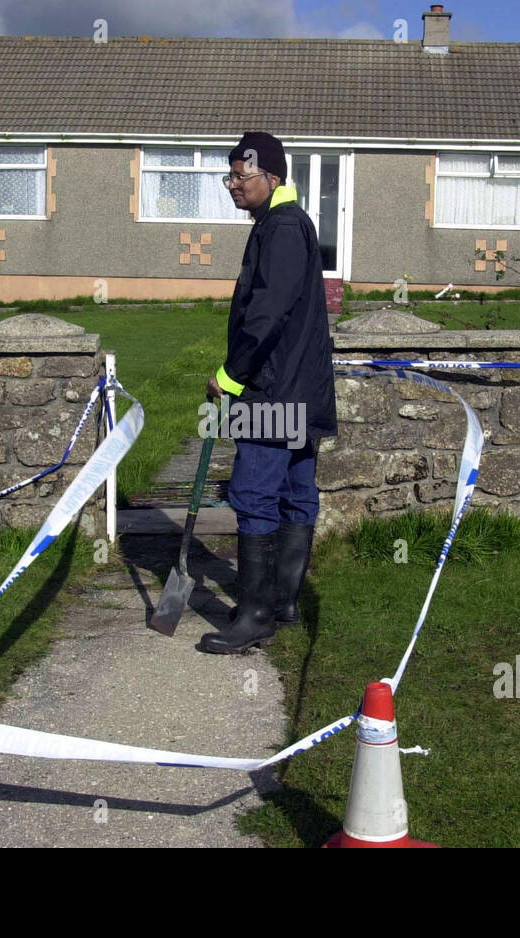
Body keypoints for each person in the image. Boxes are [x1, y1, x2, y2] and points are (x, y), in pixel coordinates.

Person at [198, 131, 337, 654]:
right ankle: (282, 600)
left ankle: (255, 614)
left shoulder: (280, 228)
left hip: (272, 391)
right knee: (297, 491)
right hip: (301, 389)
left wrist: (230, 376)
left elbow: (267, 313)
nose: (233, 185)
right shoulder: (289, 224)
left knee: (255, 495)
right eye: (229, 176)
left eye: (242, 176)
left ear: (272, 177)